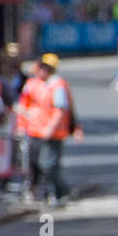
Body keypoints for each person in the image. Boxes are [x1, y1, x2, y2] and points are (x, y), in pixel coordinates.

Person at [17, 54, 78, 206]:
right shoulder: (32, 84)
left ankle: (55, 193)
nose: (42, 70)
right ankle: (47, 192)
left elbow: (61, 110)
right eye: (41, 67)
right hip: (34, 131)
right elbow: (23, 105)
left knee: (48, 164)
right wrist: (21, 124)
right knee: (34, 164)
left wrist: (51, 128)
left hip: (53, 133)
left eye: (46, 68)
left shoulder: (57, 85)